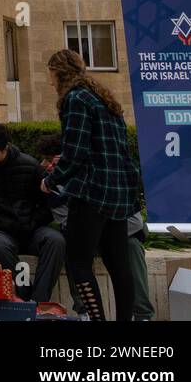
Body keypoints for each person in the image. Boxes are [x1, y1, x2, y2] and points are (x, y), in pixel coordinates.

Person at [40, 48, 140, 321]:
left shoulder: (75, 99)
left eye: (50, 74)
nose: (49, 81)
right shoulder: (104, 98)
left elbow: (75, 152)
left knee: (78, 263)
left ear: (57, 73)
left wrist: (50, 181)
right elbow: (121, 149)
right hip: (118, 192)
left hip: (92, 192)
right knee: (119, 266)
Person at [38, 132, 154, 320]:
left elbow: (134, 222)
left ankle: (142, 314)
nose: (48, 166)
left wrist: (99, 227)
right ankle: (85, 312)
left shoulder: (107, 175)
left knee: (132, 247)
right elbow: (65, 221)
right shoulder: (52, 184)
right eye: (46, 161)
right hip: (86, 237)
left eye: (54, 161)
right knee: (74, 250)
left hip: (116, 236)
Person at [0, 121, 65, 302]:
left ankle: (40, 302)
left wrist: (32, 222)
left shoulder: (30, 165)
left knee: (55, 241)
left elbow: (48, 205)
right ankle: (25, 300)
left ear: (6, 148)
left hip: (32, 230)